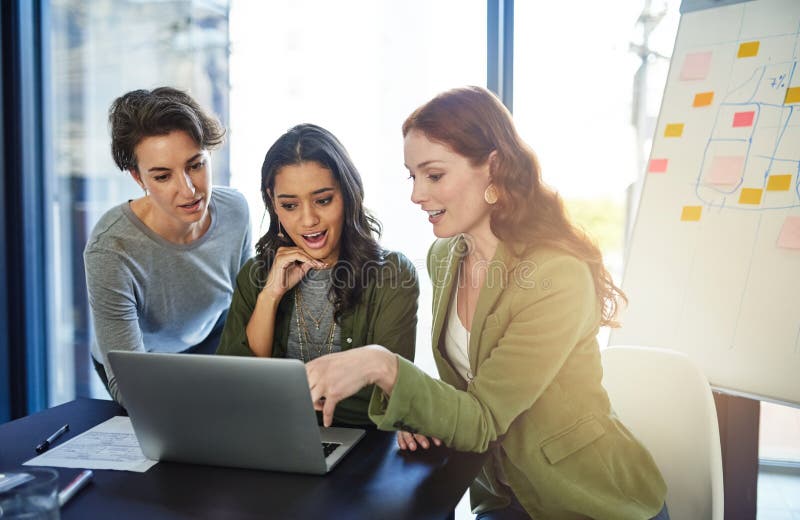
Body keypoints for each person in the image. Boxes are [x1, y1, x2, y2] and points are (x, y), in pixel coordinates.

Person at [304, 87, 670, 519]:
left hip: (586, 500)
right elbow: (469, 395)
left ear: (493, 167)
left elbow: (482, 418)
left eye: (434, 175)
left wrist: (382, 366)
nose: (417, 195)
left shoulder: (556, 276)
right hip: (501, 496)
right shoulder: (446, 256)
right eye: (412, 176)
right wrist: (421, 414)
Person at [216, 123, 418, 427]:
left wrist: (287, 401)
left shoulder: (392, 274)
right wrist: (270, 296)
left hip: (360, 445)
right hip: (267, 436)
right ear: (273, 202)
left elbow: (388, 398)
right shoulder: (257, 274)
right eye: (290, 205)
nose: (308, 220)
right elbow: (233, 388)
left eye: (323, 200)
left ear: (348, 194)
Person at [84, 87, 252, 406]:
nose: (188, 190)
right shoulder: (112, 247)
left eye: (195, 165)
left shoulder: (235, 211)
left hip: (209, 340)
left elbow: (247, 310)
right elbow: (127, 381)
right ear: (138, 179)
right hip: (141, 363)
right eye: (163, 177)